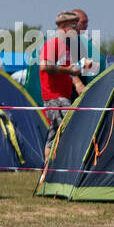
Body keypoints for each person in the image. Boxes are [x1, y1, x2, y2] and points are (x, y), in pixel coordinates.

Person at [39, 11, 86, 161]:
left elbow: (70, 70)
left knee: (54, 134)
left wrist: (77, 81)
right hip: (55, 97)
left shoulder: (66, 47)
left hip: (63, 96)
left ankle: (47, 170)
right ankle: (65, 164)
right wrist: (69, 70)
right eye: (74, 25)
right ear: (64, 26)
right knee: (69, 128)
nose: (76, 28)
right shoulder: (52, 44)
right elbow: (44, 66)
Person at [71, 8, 107, 79]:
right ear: (73, 23)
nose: (86, 25)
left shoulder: (82, 40)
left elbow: (99, 61)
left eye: (87, 22)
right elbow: (64, 66)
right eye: (83, 22)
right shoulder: (64, 40)